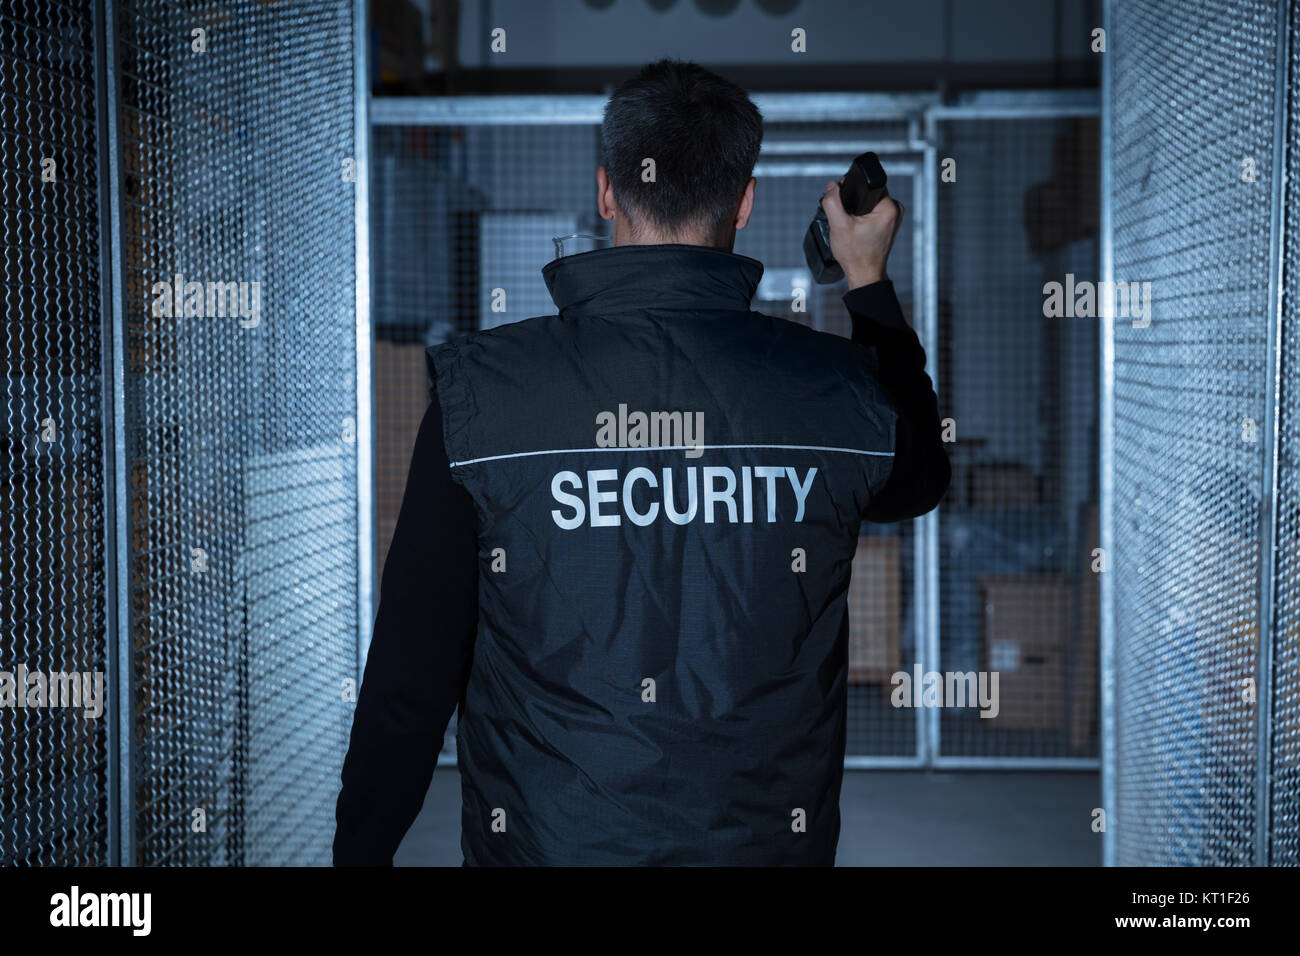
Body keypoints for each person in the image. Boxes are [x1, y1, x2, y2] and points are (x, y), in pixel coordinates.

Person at [334, 58, 949, 866]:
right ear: (745, 201)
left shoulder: (482, 392)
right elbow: (919, 479)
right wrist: (866, 282)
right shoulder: (833, 387)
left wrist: (360, 853)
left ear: (606, 192)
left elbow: (411, 676)